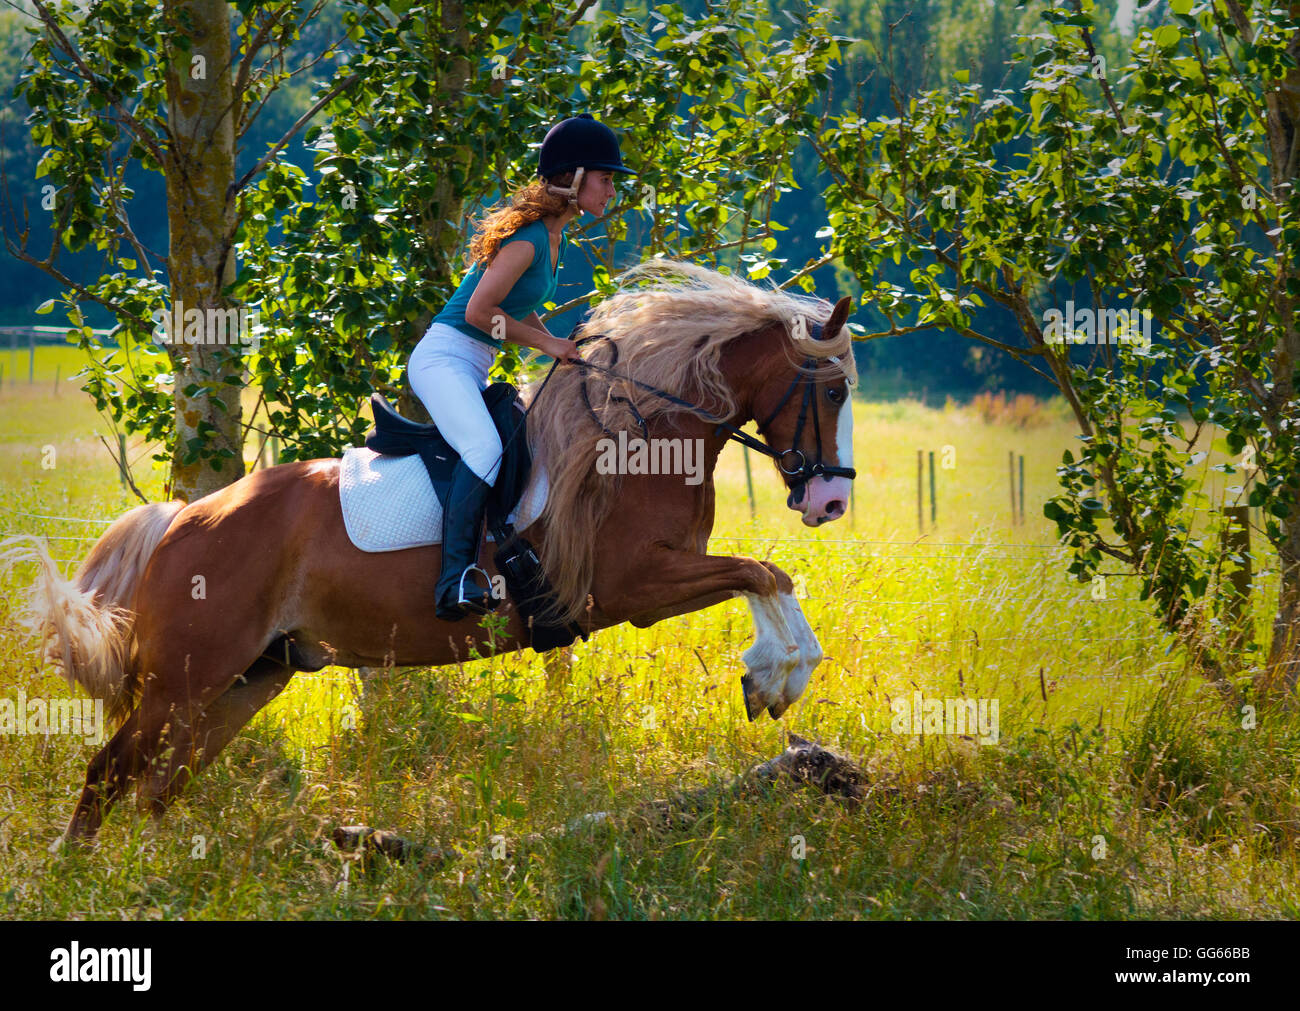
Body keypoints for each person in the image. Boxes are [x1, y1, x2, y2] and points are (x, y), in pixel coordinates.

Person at [407, 113, 637, 620]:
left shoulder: (553, 238)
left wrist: (555, 341)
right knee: (485, 448)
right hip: (443, 358)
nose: (610, 190)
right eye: (604, 178)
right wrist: (546, 344)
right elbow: (477, 313)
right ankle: (455, 581)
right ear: (574, 179)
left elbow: (514, 303)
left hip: (472, 362)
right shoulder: (529, 238)